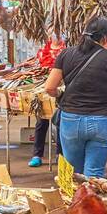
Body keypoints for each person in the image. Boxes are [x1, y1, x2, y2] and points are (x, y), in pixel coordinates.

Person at [43, 18, 107, 178]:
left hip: (71, 120)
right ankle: (91, 202)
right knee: (94, 175)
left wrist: (60, 94)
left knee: (72, 173)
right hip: (102, 121)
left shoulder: (66, 54)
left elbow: (49, 87)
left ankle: (73, 202)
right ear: (106, 38)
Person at [28, 36, 65, 167]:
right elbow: (37, 68)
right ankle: (37, 155)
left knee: (61, 123)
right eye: (54, 32)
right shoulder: (43, 50)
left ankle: (60, 155)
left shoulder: (66, 49)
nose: (57, 35)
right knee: (41, 122)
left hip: (61, 89)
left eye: (59, 32)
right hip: (44, 89)